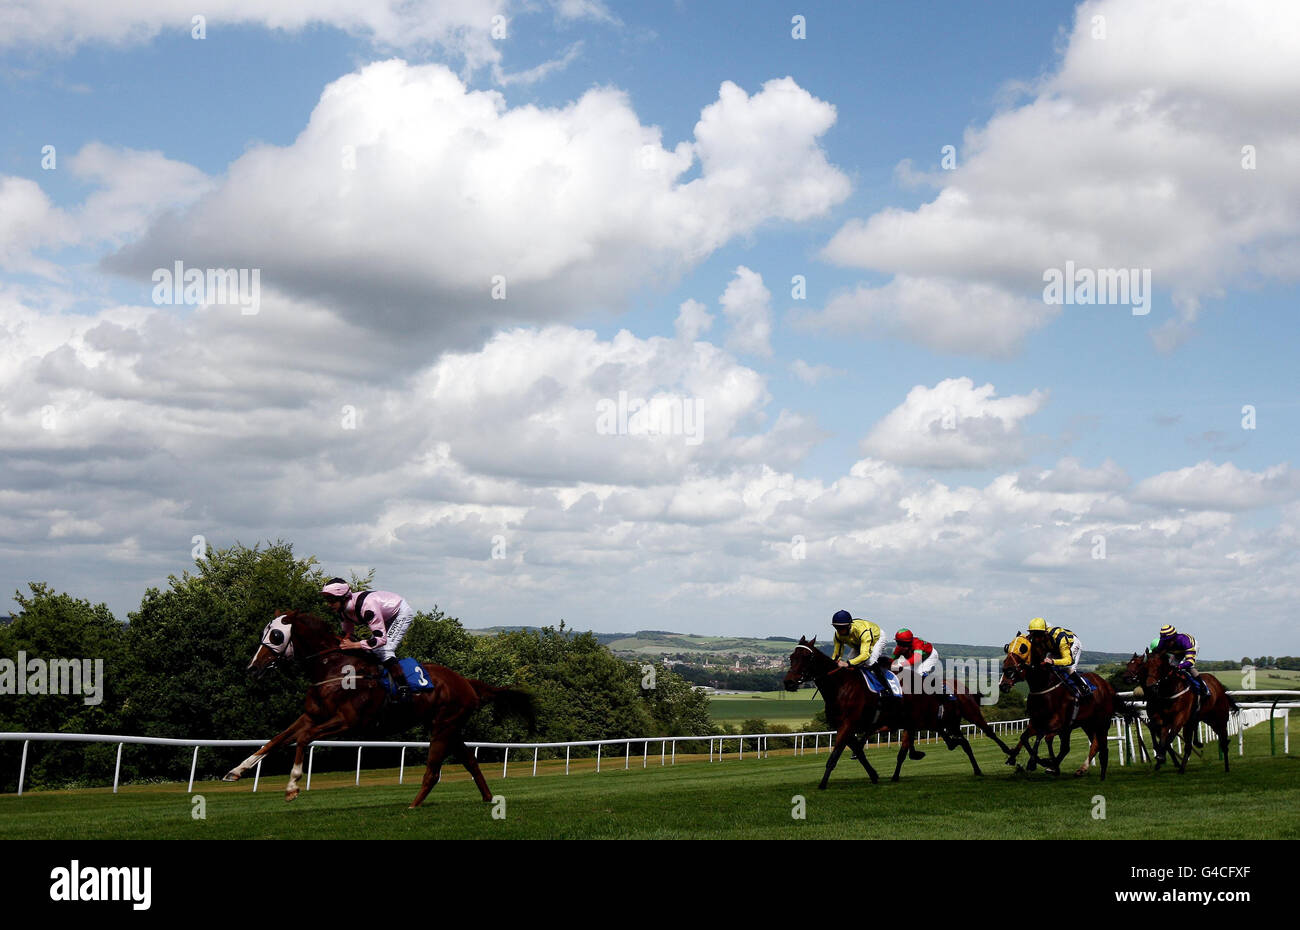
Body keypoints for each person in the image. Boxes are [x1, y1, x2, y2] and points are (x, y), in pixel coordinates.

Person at [321, 578, 416, 700]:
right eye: (327, 600)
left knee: (384, 649)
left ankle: (404, 687)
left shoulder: (367, 607)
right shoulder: (343, 611)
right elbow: (347, 634)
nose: (329, 604)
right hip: (384, 614)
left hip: (399, 612)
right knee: (370, 650)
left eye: (331, 600)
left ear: (343, 598)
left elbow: (380, 640)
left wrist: (354, 645)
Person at [830, 610, 898, 705]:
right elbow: (837, 654)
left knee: (869, 661)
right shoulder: (838, 635)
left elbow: (865, 655)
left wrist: (847, 663)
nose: (839, 630)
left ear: (849, 625)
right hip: (859, 643)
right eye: (836, 627)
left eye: (841, 627)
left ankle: (886, 689)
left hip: (877, 638)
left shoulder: (862, 630)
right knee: (850, 660)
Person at [1026, 617, 1090, 702]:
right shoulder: (1036, 638)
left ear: (1045, 633)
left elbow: (1068, 660)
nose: (1036, 639)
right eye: (1034, 635)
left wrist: (1053, 661)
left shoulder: (1060, 639)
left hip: (1071, 644)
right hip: (1054, 647)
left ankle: (1083, 687)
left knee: (1068, 668)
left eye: (1038, 635)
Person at [1154, 624, 1206, 697]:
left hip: (1191, 647)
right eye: (1165, 641)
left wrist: (1179, 666)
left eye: (1169, 641)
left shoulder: (1185, 641)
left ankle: (1203, 686)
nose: (1167, 643)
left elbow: (1190, 662)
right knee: (1169, 666)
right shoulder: (1163, 642)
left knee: (1189, 668)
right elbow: (1157, 655)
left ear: (1174, 638)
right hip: (1177, 651)